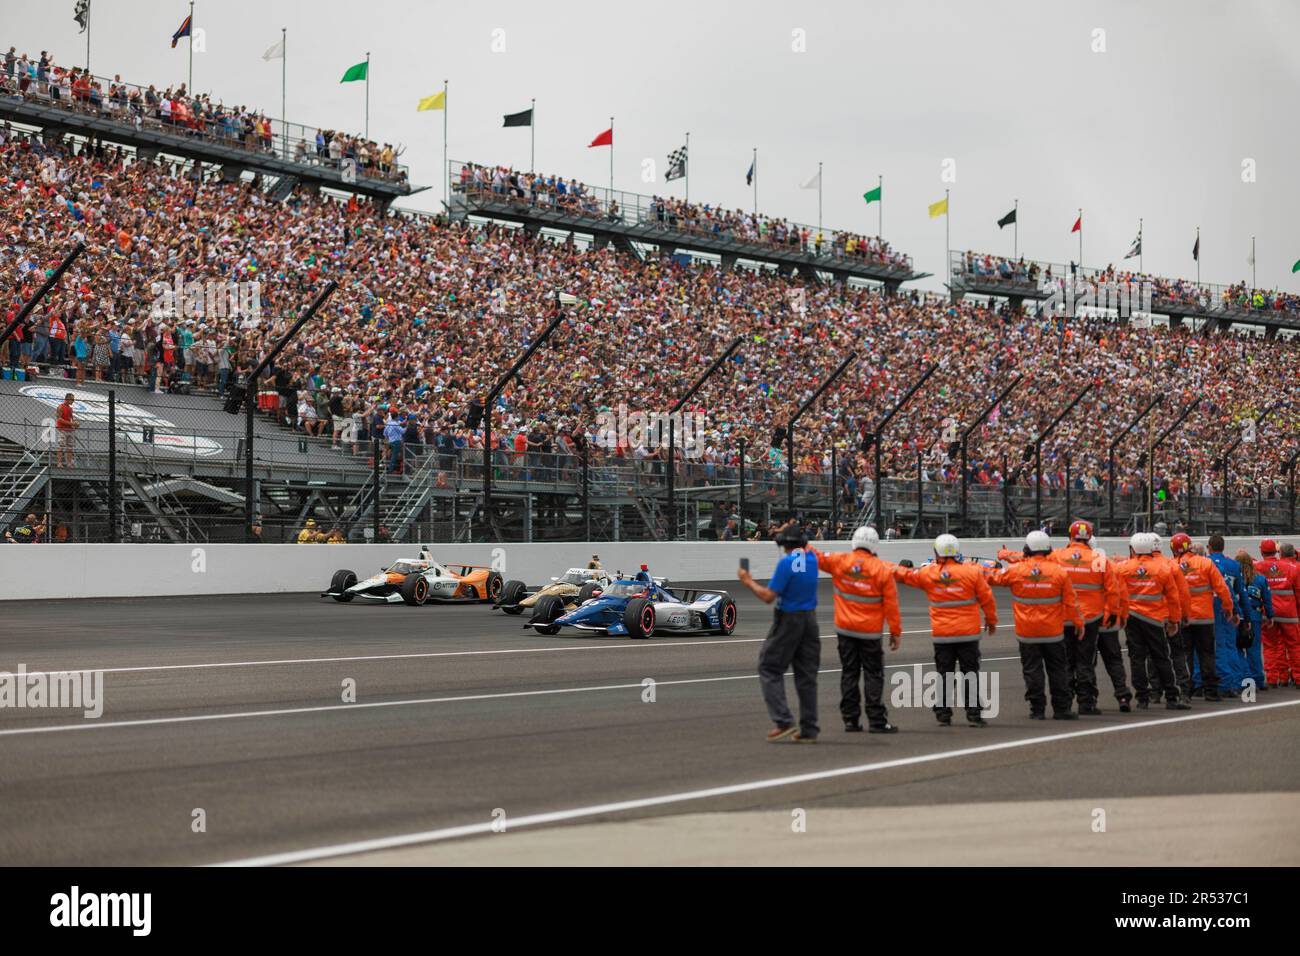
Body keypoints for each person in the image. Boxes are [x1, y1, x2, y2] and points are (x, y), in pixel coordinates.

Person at [894, 533, 998, 727]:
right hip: (968, 634)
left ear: (937, 552)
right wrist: (991, 620)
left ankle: (943, 712)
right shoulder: (972, 572)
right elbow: (987, 598)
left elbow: (905, 575)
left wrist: (882, 567)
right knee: (970, 673)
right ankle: (974, 714)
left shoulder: (929, 573)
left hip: (943, 635)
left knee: (944, 673)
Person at [808, 525, 902, 734]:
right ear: (874, 545)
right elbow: (891, 605)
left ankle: (850, 720)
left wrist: (800, 540)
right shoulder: (881, 569)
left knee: (849, 673)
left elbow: (816, 556)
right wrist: (895, 632)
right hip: (870, 633)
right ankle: (877, 721)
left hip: (845, 630)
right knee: (873, 674)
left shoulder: (840, 560)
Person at [737, 522, 821, 743]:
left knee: (769, 666)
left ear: (785, 545)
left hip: (789, 620)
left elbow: (768, 596)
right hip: (810, 620)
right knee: (806, 675)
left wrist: (747, 581)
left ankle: (783, 721)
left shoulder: (786, 563)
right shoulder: (812, 560)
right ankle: (809, 728)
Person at [988, 531, 1084, 720]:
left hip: (1027, 631)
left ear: (1027, 549)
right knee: (1058, 670)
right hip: (1053, 632)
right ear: (1048, 549)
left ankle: (1037, 709)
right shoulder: (1059, 572)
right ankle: (1062, 709)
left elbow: (993, 578)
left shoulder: (1016, 570)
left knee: (1032, 671)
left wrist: (978, 568)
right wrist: (1078, 622)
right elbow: (1071, 602)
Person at [1050, 520, 1128, 714]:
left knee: (1066, 661)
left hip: (1065, 617)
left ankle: (1065, 704)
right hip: (1091, 618)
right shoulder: (1099, 559)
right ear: (1090, 536)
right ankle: (1086, 703)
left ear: (1070, 535)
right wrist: (1114, 613)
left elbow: (1037, 565)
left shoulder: (1057, 555)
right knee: (1085, 661)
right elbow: (1113, 590)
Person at [1115, 532, 1189, 710]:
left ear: (1132, 549)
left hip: (1132, 619)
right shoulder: (1163, 568)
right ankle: (1171, 696)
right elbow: (1173, 597)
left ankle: (1142, 698)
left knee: (1136, 659)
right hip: (1154, 619)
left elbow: (1117, 594)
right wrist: (1174, 620)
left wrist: (1121, 616)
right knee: (1161, 657)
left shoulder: (1122, 568)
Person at [1169, 532, 1233, 701]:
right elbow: (1222, 588)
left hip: (1184, 618)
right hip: (1205, 617)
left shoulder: (1172, 566)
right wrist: (1228, 608)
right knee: (1207, 654)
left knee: (1185, 655)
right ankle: (1211, 691)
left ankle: (1187, 690)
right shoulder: (1206, 563)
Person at [1206, 534, 1250, 697]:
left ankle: (1220, 683)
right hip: (1228, 606)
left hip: (1211, 606)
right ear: (1223, 547)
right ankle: (1236, 682)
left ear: (1209, 547)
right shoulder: (1233, 564)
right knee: (1231, 646)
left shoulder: (1204, 562)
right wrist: (1242, 614)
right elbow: (1240, 592)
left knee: (1215, 647)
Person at [1254, 540, 1299, 689]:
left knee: (1270, 647)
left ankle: (1273, 679)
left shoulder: (1258, 567)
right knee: (1293, 646)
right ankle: (1298, 678)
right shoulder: (1290, 567)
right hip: (1289, 612)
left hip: (1268, 613)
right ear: (1276, 551)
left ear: (1262, 552)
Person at [1236, 550, 1273, 692]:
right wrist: (1270, 616)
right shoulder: (1260, 579)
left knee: (1238, 648)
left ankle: (1245, 679)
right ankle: (1258, 680)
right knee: (1254, 649)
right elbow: (1267, 600)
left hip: (1239, 616)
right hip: (1255, 616)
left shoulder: (1235, 578)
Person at [55, 392, 79, 467]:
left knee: (70, 447)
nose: (73, 401)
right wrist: (72, 424)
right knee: (61, 446)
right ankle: (59, 463)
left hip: (70, 430)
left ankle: (69, 463)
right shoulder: (60, 407)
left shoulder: (70, 408)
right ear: (67, 399)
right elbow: (59, 419)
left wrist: (75, 424)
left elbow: (71, 419)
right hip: (62, 429)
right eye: (72, 400)